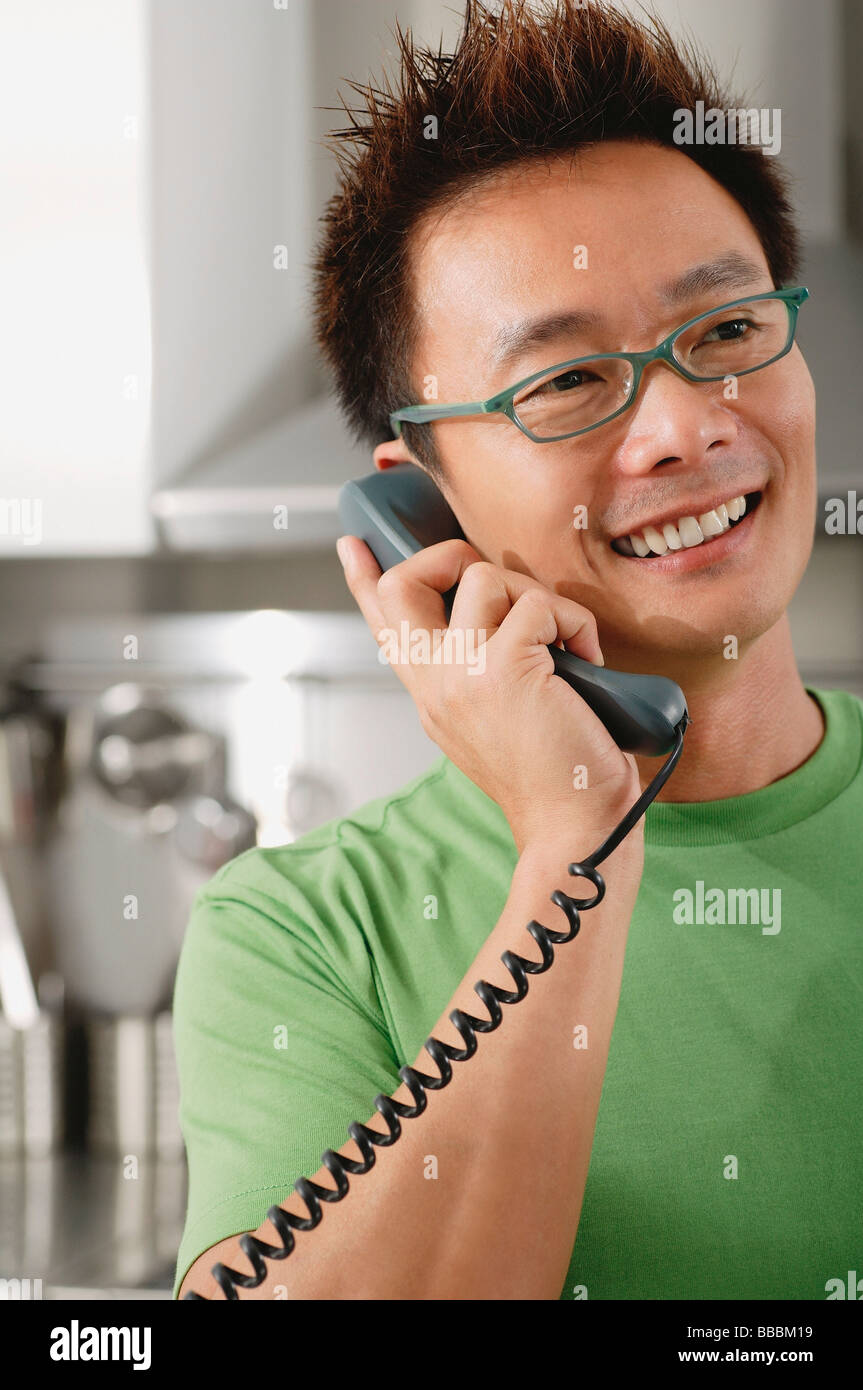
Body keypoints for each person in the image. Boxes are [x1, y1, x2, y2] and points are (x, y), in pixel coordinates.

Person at [174, 0, 863, 1300]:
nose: (680, 426)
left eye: (725, 332)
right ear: (417, 505)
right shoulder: (301, 935)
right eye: (563, 384)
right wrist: (573, 851)